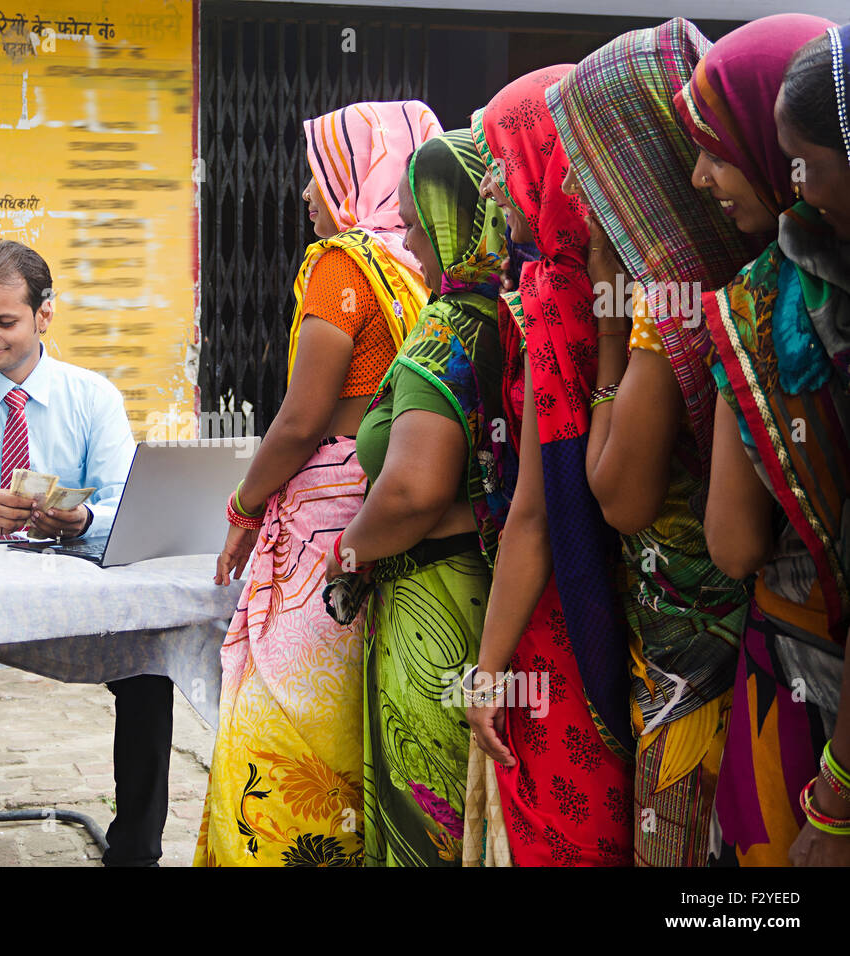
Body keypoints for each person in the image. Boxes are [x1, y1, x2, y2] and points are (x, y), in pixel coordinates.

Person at [546, 16, 805, 866]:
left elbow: (618, 496)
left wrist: (614, 334)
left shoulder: (672, 312)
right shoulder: (764, 276)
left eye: (594, 167)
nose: (582, 199)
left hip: (701, 665)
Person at [195, 100, 440, 866]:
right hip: (386, 501)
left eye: (316, 174)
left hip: (323, 514)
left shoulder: (342, 264)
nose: (305, 194)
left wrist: (243, 504)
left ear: (355, 173)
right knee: (351, 702)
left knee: (285, 708)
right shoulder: (430, 265)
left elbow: (302, 419)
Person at [0, 239, 173, 867]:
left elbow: (128, 502)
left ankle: (137, 851)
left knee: (150, 670)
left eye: (4, 322)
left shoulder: (91, 397)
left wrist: (84, 520)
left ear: (44, 315)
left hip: (70, 590)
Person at [322, 129, 508, 865]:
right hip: (488, 595)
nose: (409, 244)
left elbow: (411, 490)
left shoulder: (448, 326)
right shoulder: (516, 312)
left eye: (414, 223)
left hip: (434, 596)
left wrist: (351, 550)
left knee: (423, 814)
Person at [465, 66, 635, 866]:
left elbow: (534, 515)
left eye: (504, 155)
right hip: (614, 595)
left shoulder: (550, 301)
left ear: (546, 164)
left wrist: (486, 672)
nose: (493, 180)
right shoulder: (614, 285)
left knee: (565, 834)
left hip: (561, 615)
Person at [692, 24, 850, 866]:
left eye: (716, 149)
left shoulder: (762, 308)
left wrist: (832, 809)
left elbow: (731, 541)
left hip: (801, 702)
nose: (697, 179)